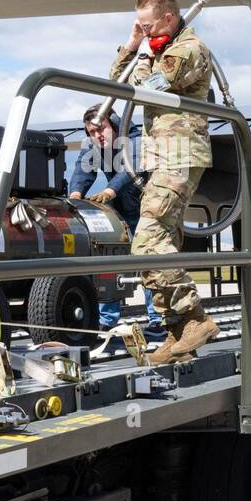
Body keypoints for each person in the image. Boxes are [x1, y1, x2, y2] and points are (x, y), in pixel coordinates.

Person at [110, 0, 218, 363]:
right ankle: (176, 333)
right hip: (162, 157)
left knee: (148, 238)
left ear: (169, 19)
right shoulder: (157, 50)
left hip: (180, 155)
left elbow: (145, 90)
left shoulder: (189, 50)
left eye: (146, 24)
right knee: (161, 243)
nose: (142, 30)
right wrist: (132, 45)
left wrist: (142, 56)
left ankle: (195, 318)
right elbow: (116, 82)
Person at [68, 103, 165, 339]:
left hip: (148, 211)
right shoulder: (94, 146)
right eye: (91, 132)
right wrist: (75, 196)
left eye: (100, 129)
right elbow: (83, 171)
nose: (97, 136)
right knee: (108, 262)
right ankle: (107, 320)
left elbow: (132, 169)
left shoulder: (136, 140)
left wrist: (110, 191)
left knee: (149, 262)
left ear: (114, 125)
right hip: (121, 211)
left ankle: (158, 321)